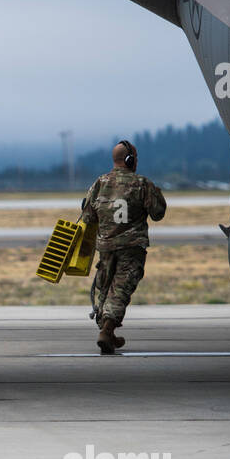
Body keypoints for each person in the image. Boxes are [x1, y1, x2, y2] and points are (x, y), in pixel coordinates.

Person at [77, 140, 167, 354]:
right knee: (121, 290)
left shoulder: (100, 183)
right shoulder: (142, 183)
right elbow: (158, 213)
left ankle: (108, 332)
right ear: (130, 160)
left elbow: (87, 216)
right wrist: (156, 193)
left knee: (106, 288)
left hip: (106, 246)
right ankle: (107, 331)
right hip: (131, 246)